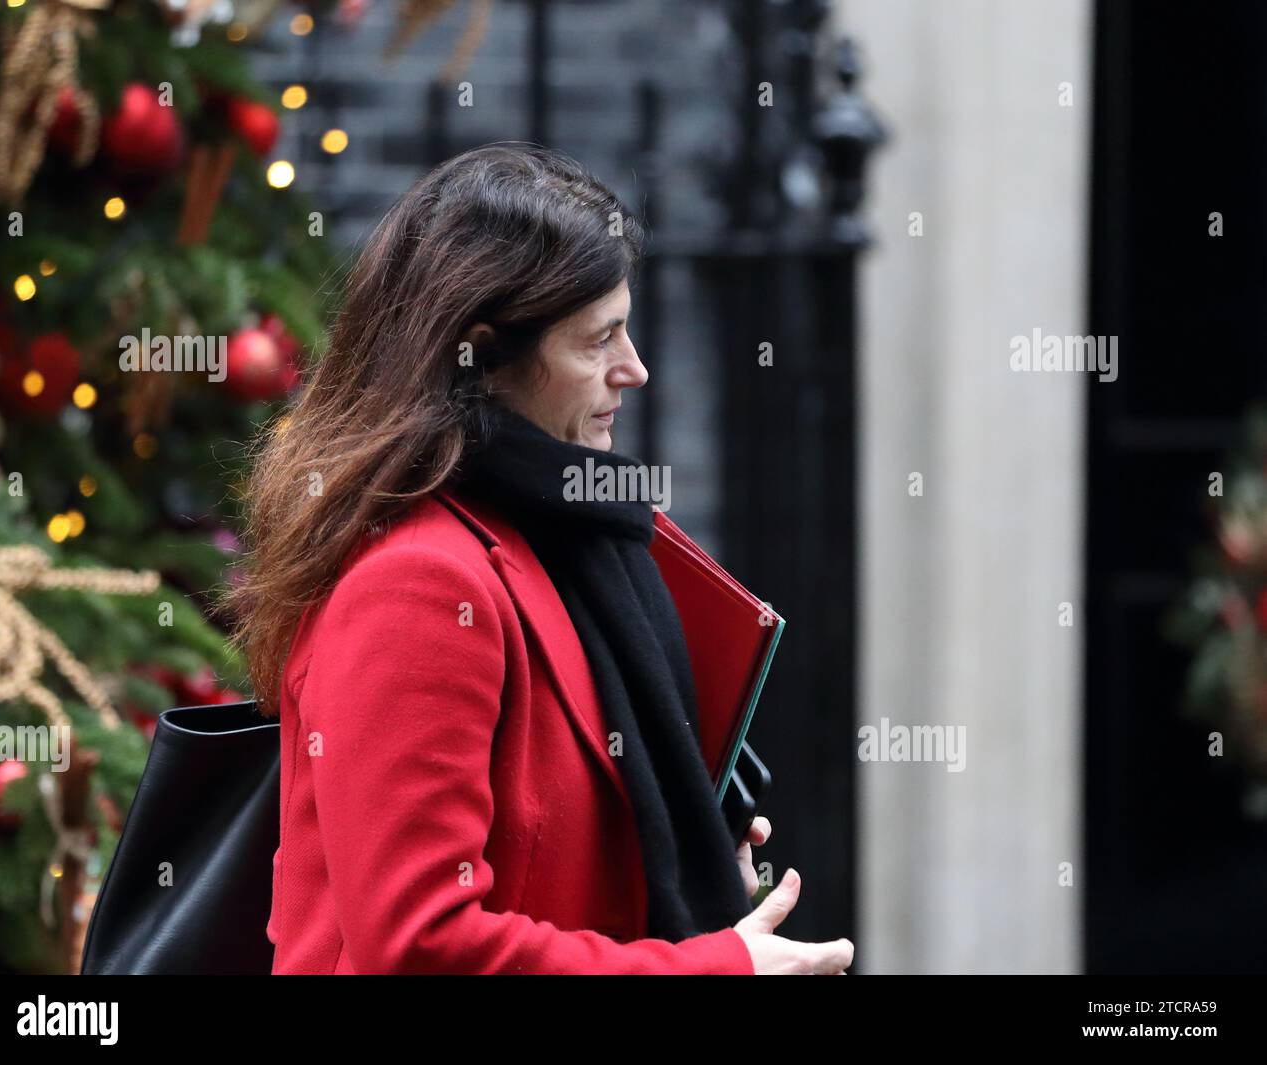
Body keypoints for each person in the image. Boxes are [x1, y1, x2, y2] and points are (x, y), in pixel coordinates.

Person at [225, 142, 855, 975]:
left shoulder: (560, 536)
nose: (635, 369)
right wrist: (713, 967)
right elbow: (419, 944)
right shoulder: (417, 582)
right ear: (483, 355)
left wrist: (674, 867)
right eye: (599, 340)